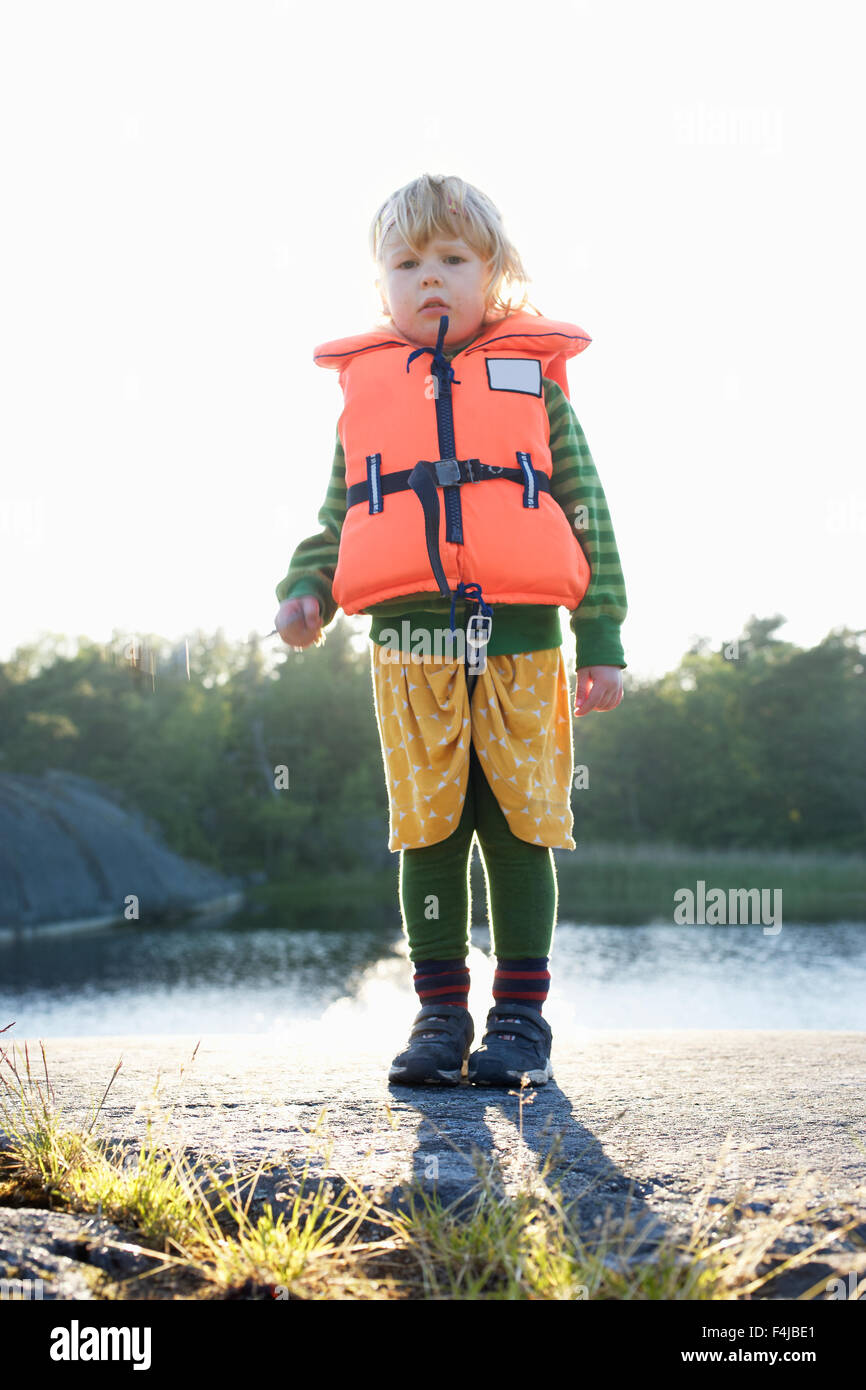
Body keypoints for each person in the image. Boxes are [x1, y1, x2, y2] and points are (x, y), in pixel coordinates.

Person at [274, 174, 627, 1087]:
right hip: (407, 646)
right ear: (380, 285)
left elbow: (585, 513)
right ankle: (438, 1017)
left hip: (521, 641)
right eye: (407, 262)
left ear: (494, 273)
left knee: (519, 828)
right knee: (427, 832)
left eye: (452, 259)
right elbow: (337, 517)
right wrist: (304, 589)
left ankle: (519, 1021)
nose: (430, 277)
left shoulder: (534, 386)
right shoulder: (369, 397)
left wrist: (605, 637)